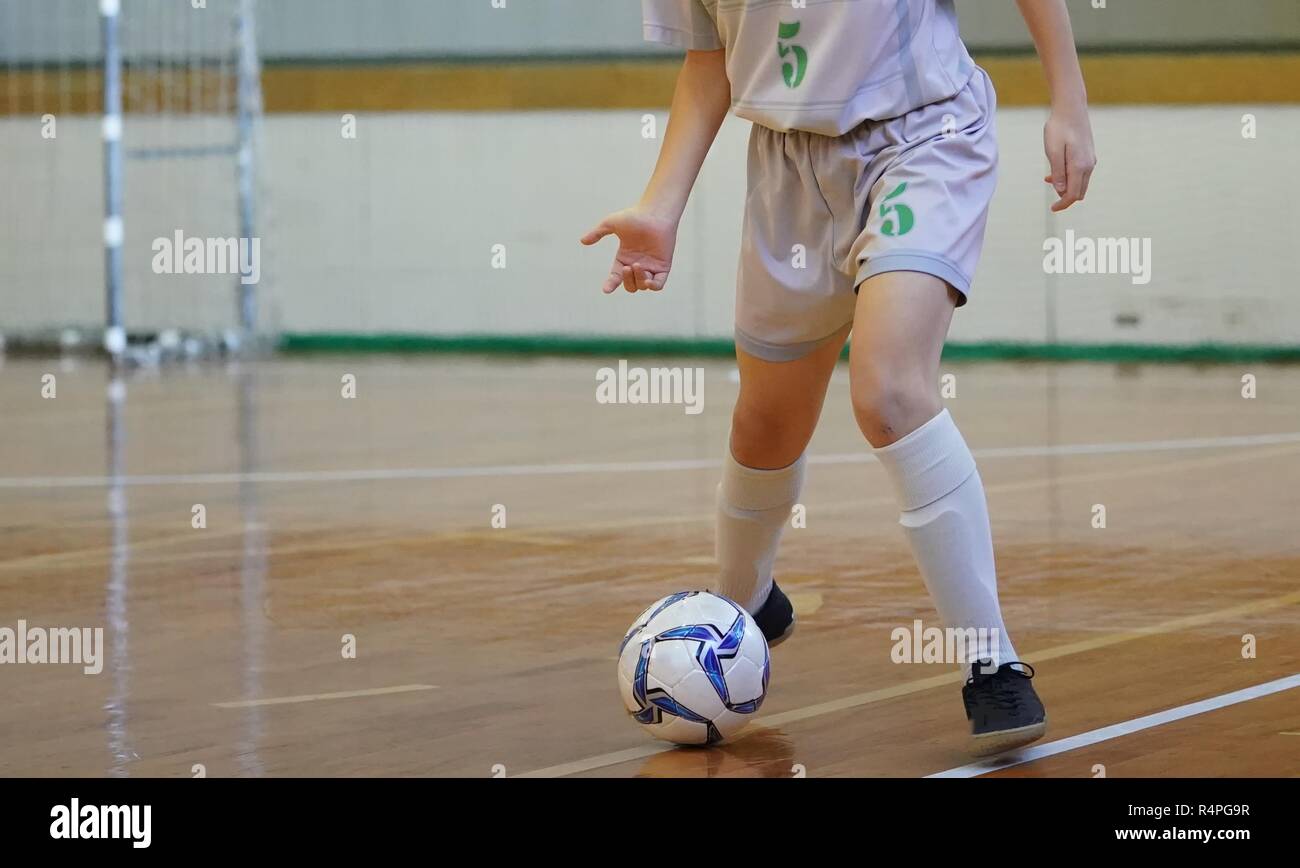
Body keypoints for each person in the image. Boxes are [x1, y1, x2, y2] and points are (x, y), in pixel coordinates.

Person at [582, 0, 1096, 756]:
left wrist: (1070, 100)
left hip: (924, 136)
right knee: (765, 422)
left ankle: (991, 659)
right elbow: (708, 60)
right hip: (787, 168)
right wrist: (662, 205)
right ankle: (745, 603)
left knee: (888, 391)